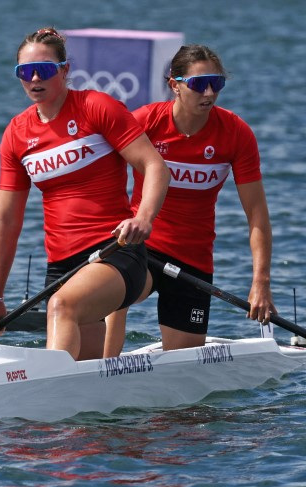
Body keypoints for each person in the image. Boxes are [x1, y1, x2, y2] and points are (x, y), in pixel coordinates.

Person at [0, 27, 170, 360]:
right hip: (62, 267)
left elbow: (156, 168)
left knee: (61, 305)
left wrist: (143, 218)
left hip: (116, 253)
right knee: (86, 374)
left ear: (65, 71)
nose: (35, 78)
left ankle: (43, 410)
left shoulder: (97, 108)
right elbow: (6, 219)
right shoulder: (16, 135)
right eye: (25, 72)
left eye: (46, 70)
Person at [104, 44, 274, 355]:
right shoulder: (146, 121)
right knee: (114, 290)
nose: (209, 92)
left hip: (193, 259)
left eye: (217, 83)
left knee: (182, 372)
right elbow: (100, 175)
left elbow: (257, 216)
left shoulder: (236, 133)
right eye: (198, 84)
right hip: (144, 245)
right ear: (175, 85)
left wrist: (260, 282)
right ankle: (103, 365)